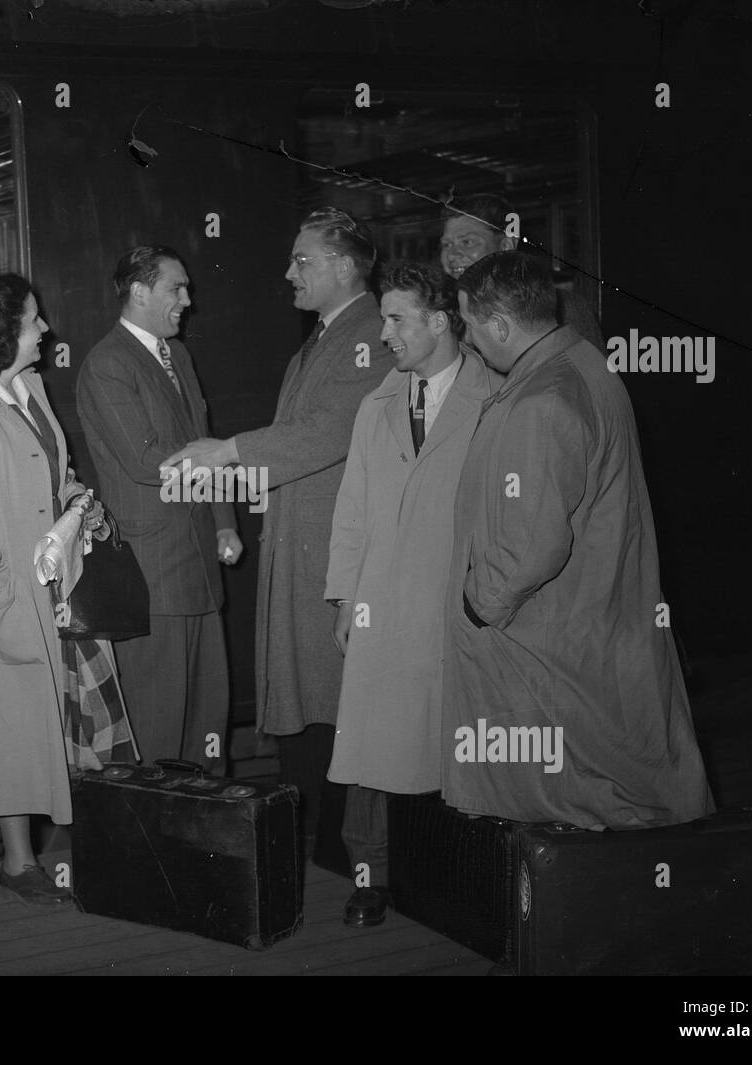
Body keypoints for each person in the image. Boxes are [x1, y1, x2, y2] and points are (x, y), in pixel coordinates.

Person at [445, 252, 713, 829]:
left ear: (500, 326)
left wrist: (477, 605)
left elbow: (532, 544)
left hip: (551, 640)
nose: (466, 340)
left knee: (584, 802)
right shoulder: (582, 365)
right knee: (625, 781)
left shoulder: (541, 399)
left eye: (468, 324)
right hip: (596, 621)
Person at [163, 208, 389, 868]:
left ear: (346, 268)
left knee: (336, 702)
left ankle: (349, 854)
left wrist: (228, 451)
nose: (289, 272)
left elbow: (327, 432)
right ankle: (326, 845)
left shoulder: (369, 334)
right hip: (307, 548)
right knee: (317, 705)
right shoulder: (322, 340)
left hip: (335, 554)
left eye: (304, 260)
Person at [0, 274, 132, 905]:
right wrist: (2, 605)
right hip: (8, 603)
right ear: (0, 334)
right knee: (13, 730)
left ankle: (81, 853)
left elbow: (59, 475)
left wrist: (80, 505)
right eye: (32, 320)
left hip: (62, 591)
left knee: (69, 725)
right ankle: (19, 864)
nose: (45, 329)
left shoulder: (32, 387)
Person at [325, 262, 501, 927]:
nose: (384, 331)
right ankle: (368, 876)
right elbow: (353, 506)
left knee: (459, 742)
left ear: (440, 321)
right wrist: (345, 596)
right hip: (382, 603)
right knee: (371, 748)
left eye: (397, 317)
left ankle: (465, 873)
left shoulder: (495, 400)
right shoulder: (379, 402)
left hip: (461, 605)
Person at [76, 246, 241, 771]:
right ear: (140, 292)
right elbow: (146, 460)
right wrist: (235, 458)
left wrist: (223, 523)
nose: (188, 300)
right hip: (153, 571)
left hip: (198, 562)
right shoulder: (106, 364)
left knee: (206, 718)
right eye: (177, 288)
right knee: (159, 721)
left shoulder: (177, 356)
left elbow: (201, 437)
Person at [439, 192, 604, 349]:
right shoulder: (443, 313)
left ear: (506, 246)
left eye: (467, 242)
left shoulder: (563, 307)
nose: (452, 255)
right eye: (446, 245)